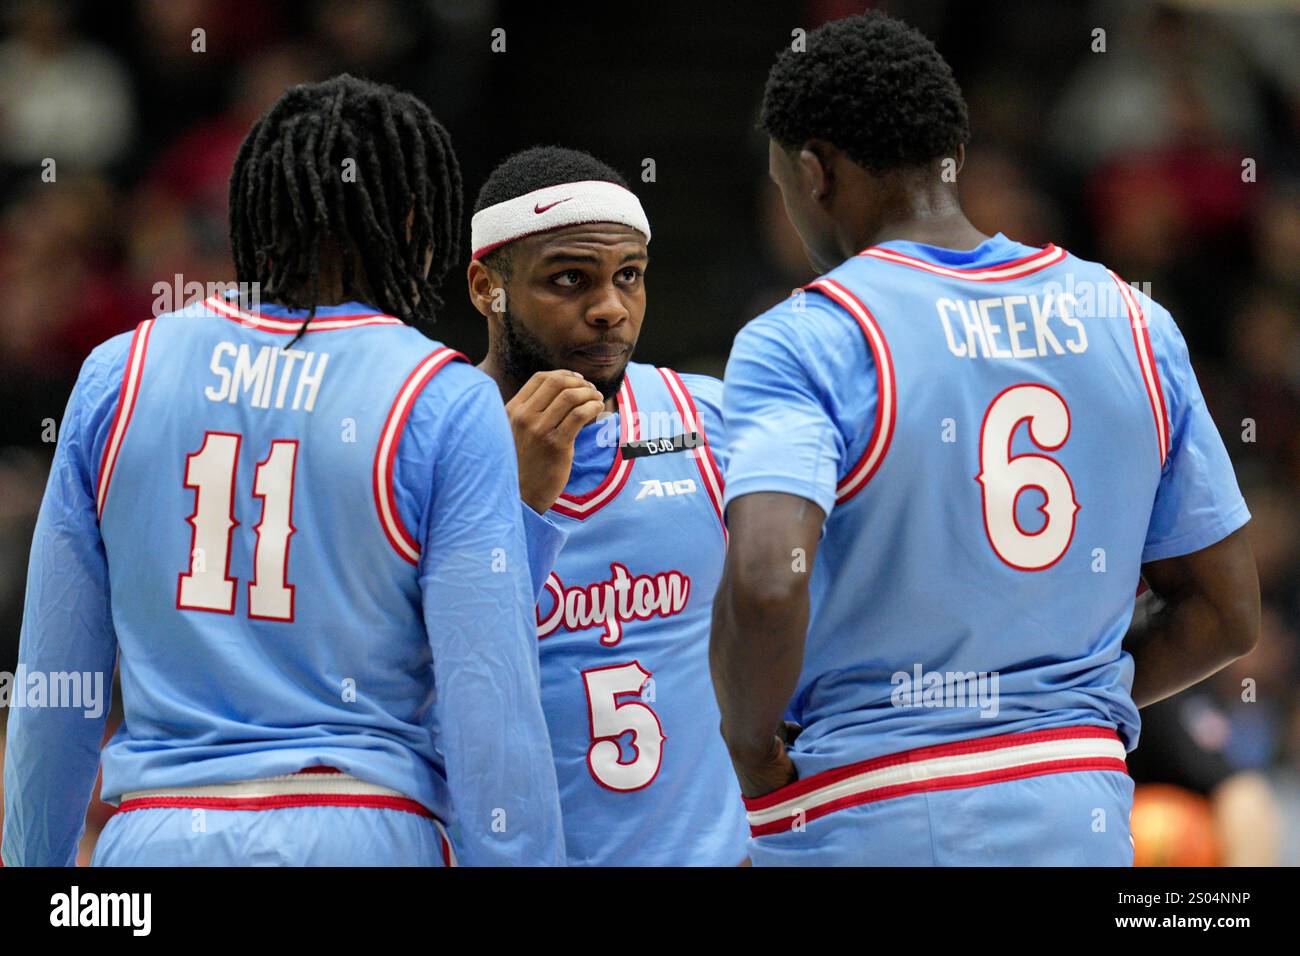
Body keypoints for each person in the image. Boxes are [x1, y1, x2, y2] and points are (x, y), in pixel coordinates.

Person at [711, 12, 1260, 866]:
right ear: (955, 154)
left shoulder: (803, 338)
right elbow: (1227, 614)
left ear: (813, 173)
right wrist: (1073, 709)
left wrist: (751, 756)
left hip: (869, 804)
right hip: (1075, 807)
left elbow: (766, 585)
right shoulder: (1131, 318)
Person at [2, 75, 565, 867]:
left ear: (255, 207)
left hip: (155, 839)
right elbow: (490, 706)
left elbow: (53, 693)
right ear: (411, 219)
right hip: (363, 828)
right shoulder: (443, 398)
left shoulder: (116, 375)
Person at [465, 146, 749, 865]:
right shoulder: (428, 443)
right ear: (485, 288)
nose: (610, 310)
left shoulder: (707, 422)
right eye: (570, 280)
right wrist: (518, 498)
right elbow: (413, 679)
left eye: (630, 277)